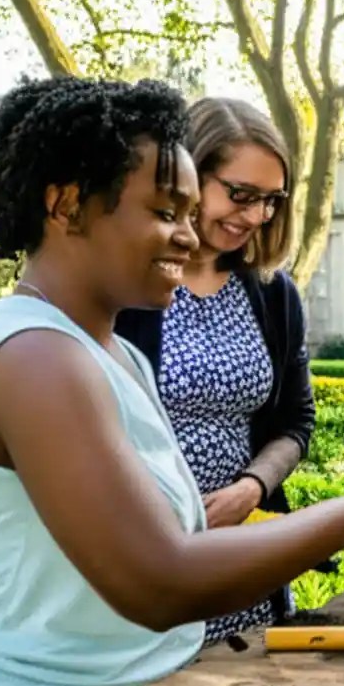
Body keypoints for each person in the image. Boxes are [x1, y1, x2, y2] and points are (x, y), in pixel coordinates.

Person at [0, 76, 344, 686]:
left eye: (190, 214)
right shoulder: (35, 358)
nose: (191, 237)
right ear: (66, 206)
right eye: (166, 213)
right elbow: (161, 580)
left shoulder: (111, 354)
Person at [114, 97, 310, 643]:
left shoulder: (274, 295)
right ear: (187, 175)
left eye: (270, 201)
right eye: (240, 194)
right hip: (147, 565)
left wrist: (252, 486)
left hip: (244, 563)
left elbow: (296, 422)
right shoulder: (127, 290)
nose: (254, 216)